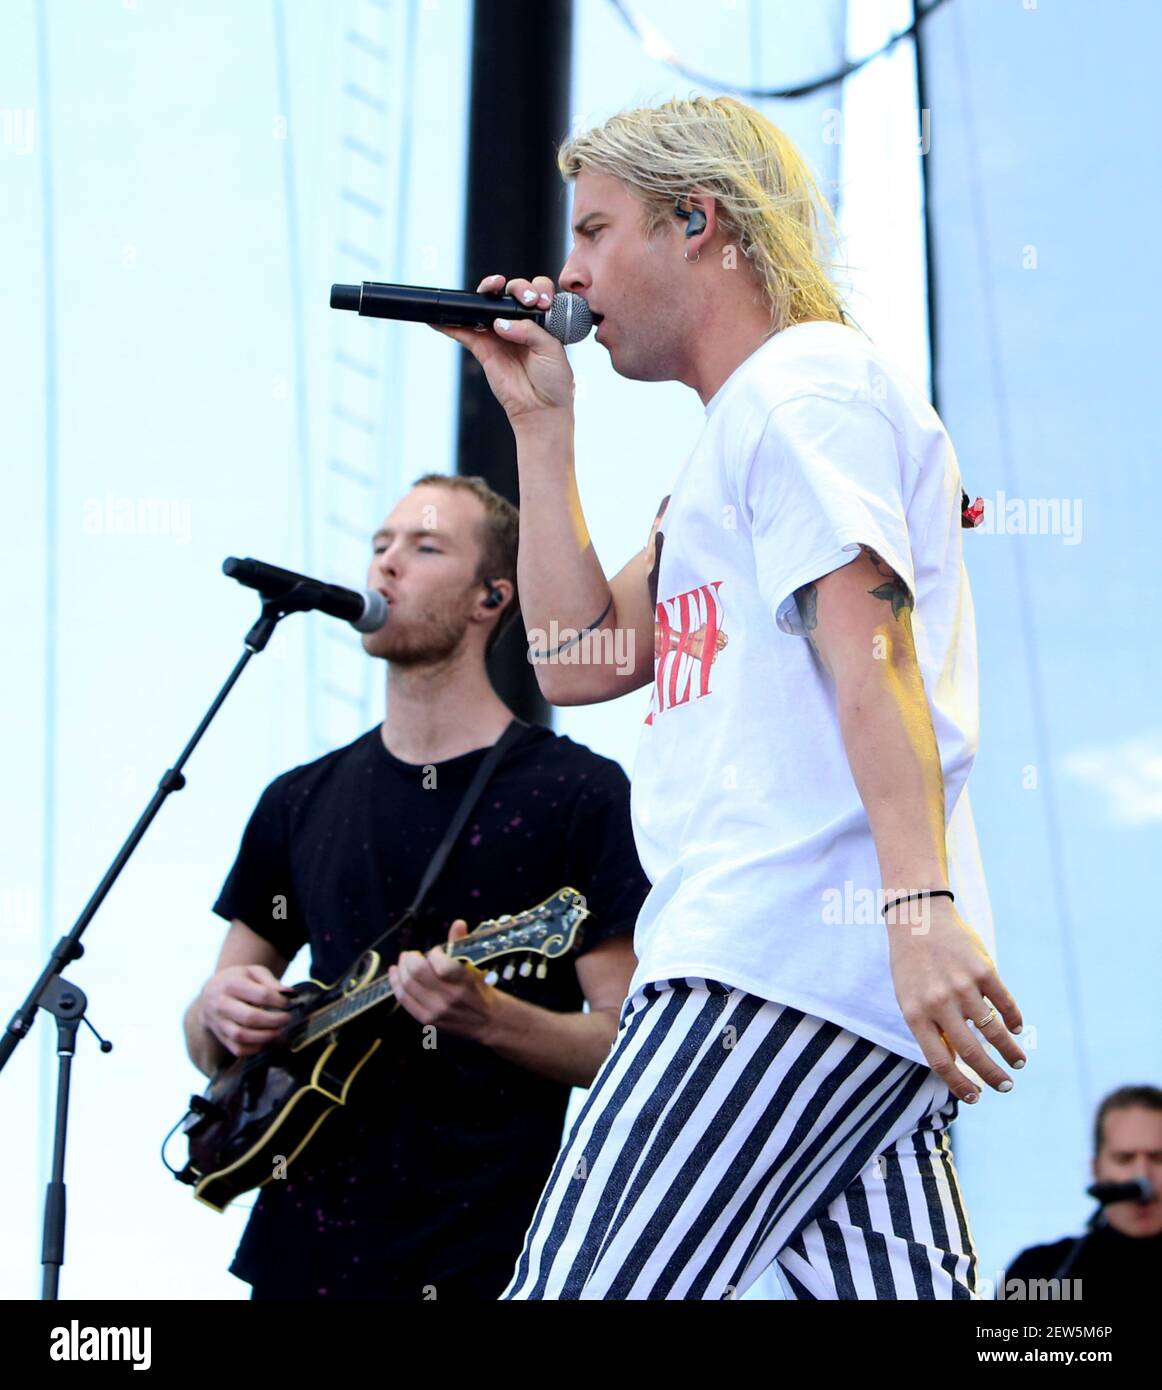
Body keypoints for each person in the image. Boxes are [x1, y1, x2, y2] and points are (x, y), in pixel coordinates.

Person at [433, 95, 1027, 1301]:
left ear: (695, 220)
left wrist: (917, 901)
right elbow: (573, 656)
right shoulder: (733, 440)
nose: (568, 269)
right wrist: (540, 426)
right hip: (836, 989)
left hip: (768, 961)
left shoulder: (802, 392)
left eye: (595, 230)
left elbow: (874, 650)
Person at [182, 472, 650, 1300]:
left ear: (491, 599)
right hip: (299, 1257)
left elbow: (622, 1046)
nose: (387, 566)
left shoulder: (577, 794)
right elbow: (207, 1037)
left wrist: (492, 1018)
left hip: (484, 1257)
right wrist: (221, 1007)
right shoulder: (299, 799)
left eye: (425, 547)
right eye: (381, 546)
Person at [1005, 1085, 1162, 1295]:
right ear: (1096, 1169)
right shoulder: (1040, 1269)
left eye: (1158, 1158)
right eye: (1124, 1159)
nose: (1142, 1175)